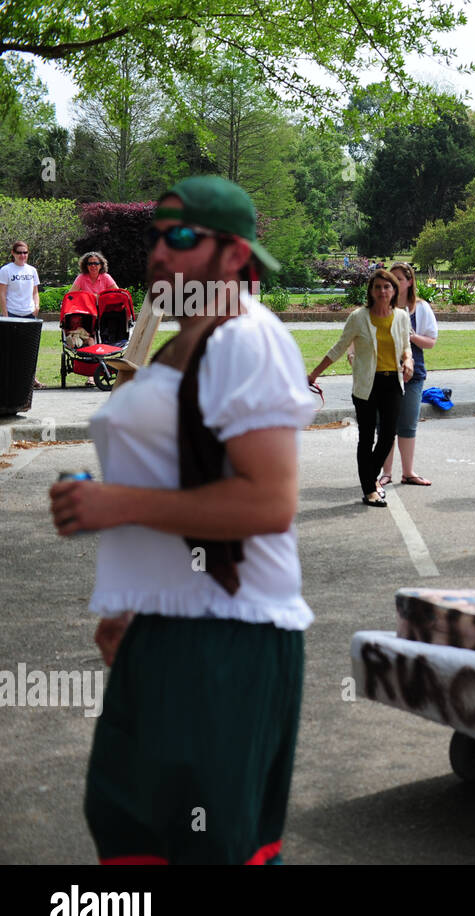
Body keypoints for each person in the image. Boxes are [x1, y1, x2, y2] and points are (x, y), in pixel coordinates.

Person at [48, 174, 316, 864]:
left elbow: (268, 501)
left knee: (207, 846)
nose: (161, 253)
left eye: (183, 237)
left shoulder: (246, 339)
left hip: (230, 639)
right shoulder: (181, 338)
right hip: (169, 628)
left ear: (233, 254)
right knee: (130, 825)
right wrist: (138, 606)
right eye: (157, 236)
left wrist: (115, 505)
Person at [308, 270, 414, 507]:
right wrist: (314, 374)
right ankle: (370, 489)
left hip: (392, 384)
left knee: (387, 436)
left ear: (394, 290)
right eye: (377, 287)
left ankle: (370, 479)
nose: (382, 291)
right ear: (371, 291)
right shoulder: (358, 317)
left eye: (387, 287)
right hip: (367, 386)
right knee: (366, 438)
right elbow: (339, 348)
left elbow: (406, 346)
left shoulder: (401, 317)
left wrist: (408, 360)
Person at [380, 262, 438, 488]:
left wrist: (411, 336)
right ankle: (386, 472)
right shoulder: (383, 306)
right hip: (385, 372)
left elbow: (431, 341)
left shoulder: (420, 308)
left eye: (399, 279)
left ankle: (408, 472)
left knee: (407, 424)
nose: (394, 284)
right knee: (386, 424)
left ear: (410, 281)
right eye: (391, 279)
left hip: (413, 375)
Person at [1, 240, 42, 391]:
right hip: (12, 313)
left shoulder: (31, 270)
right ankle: (14, 379)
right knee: (12, 349)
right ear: (13, 253)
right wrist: (5, 314)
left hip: (29, 314)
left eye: (25, 252)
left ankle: (31, 379)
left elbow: (35, 291)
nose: (22, 255)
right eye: (19, 253)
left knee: (30, 349)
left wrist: (36, 306)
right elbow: (2, 293)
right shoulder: (6, 270)